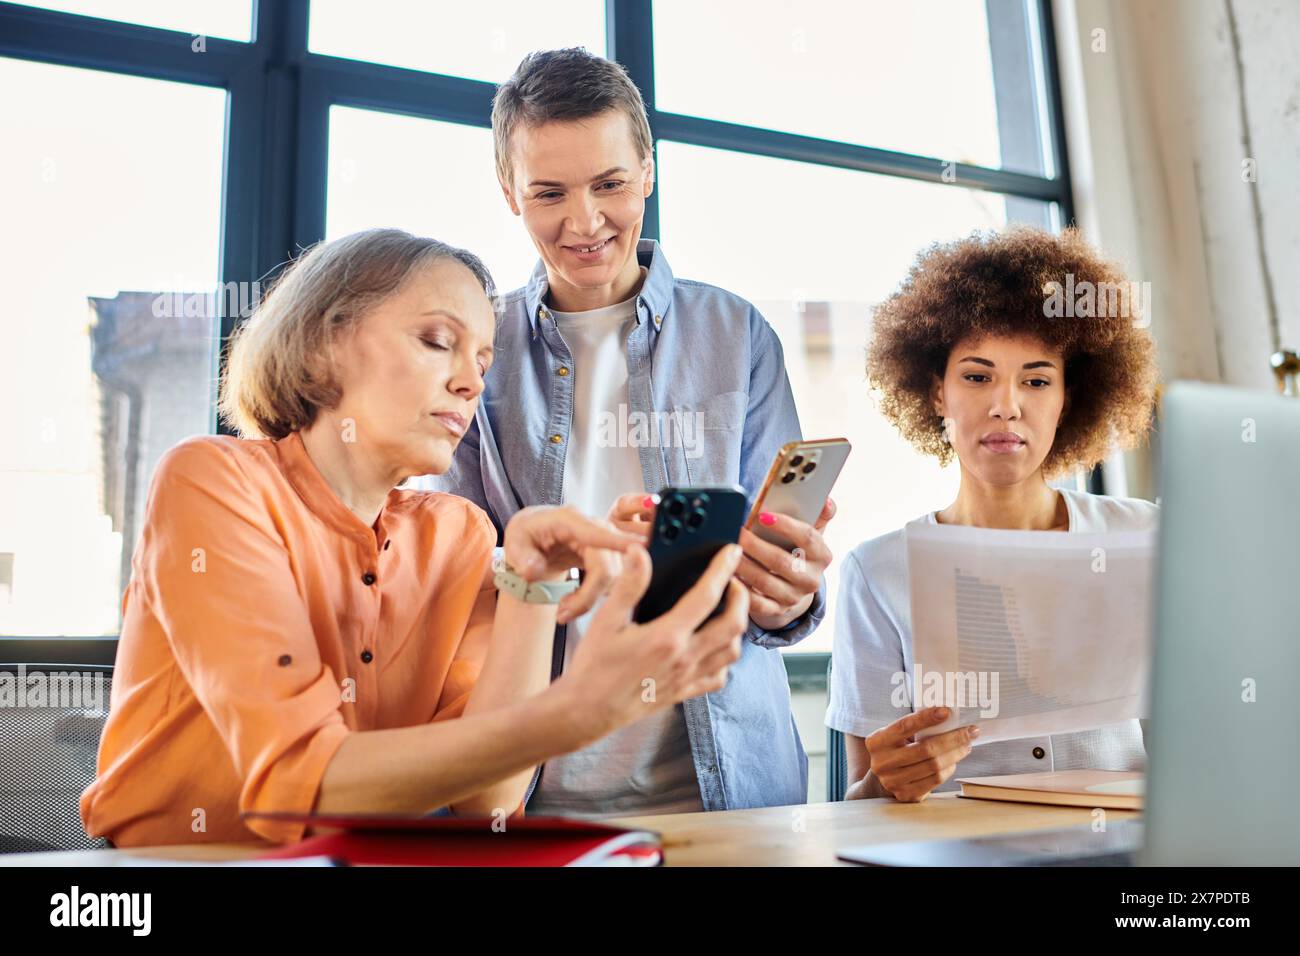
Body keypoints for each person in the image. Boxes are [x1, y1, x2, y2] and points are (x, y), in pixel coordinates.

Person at [80, 228, 749, 846]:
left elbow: (487, 805)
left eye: (483, 362)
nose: (469, 381)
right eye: (437, 341)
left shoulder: (457, 532)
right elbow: (294, 787)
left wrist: (531, 584)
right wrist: (577, 713)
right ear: (325, 341)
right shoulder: (213, 481)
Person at [417, 48, 834, 816]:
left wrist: (787, 598)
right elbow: (452, 583)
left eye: (610, 183)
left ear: (648, 169)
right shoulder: (477, 350)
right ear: (509, 193)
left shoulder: (738, 336)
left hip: (732, 794)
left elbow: (777, 579)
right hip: (534, 793)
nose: (585, 222)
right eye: (549, 192)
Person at [826, 225, 1159, 802]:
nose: (1006, 406)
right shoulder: (877, 570)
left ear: (1067, 400)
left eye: (1036, 380)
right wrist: (887, 781)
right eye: (978, 377)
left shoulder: (1144, 538)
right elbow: (859, 804)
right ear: (936, 395)